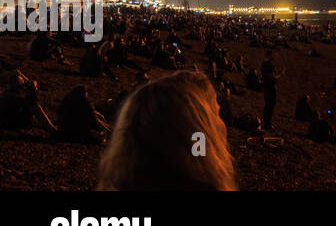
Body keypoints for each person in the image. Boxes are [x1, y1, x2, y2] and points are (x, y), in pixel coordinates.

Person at [98, 72, 236, 190]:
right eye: (217, 113)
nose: (223, 124)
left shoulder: (123, 183)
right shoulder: (199, 186)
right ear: (198, 129)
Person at [260, 53, 279, 131]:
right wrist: (278, 76)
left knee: (267, 105)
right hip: (270, 88)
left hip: (266, 87)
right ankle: (268, 124)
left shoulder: (264, 65)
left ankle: (266, 123)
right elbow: (272, 78)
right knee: (270, 106)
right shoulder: (269, 66)